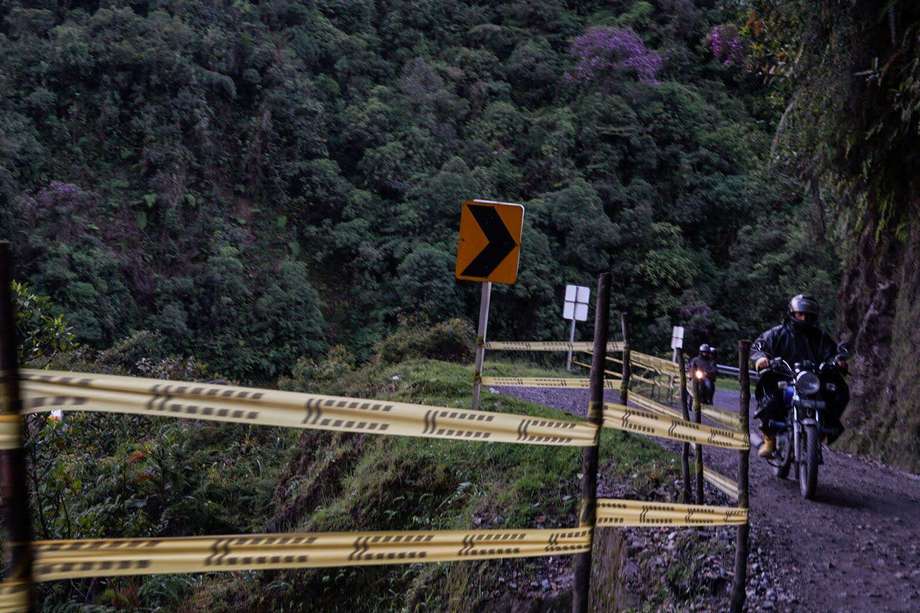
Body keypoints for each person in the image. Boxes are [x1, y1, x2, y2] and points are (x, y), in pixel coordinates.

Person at [751, 294, 849, 458]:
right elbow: (759, 346)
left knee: (839, 392)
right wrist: (761, 358)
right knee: (769, 396)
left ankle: (824, 430)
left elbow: (832, 353)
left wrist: (838, 361)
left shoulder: (821, 337)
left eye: (808, 315)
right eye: (800, 314)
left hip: (813, 380)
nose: (804, 318)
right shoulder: (777, 333)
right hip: (784, 378)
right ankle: (769, 438)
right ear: (792, 313)